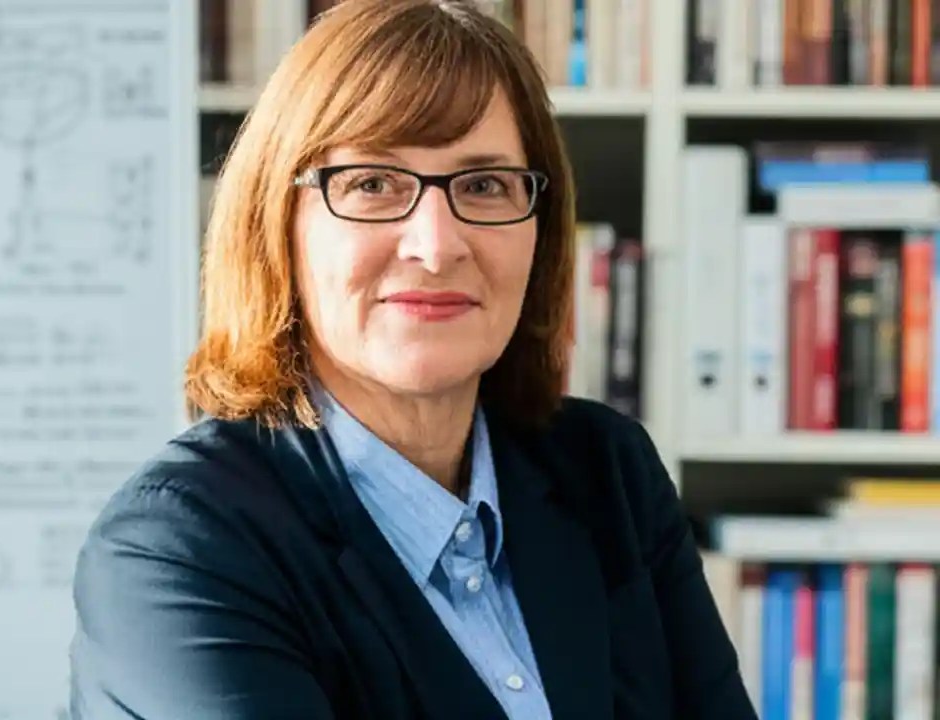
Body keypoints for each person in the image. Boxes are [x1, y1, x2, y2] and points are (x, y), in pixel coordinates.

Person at [70, 1, 756, 718]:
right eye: (373, 184)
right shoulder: (173, 550)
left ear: (540, 231)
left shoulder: (607, 474)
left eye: (484, 185)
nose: (436, 245)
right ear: (278, 225)